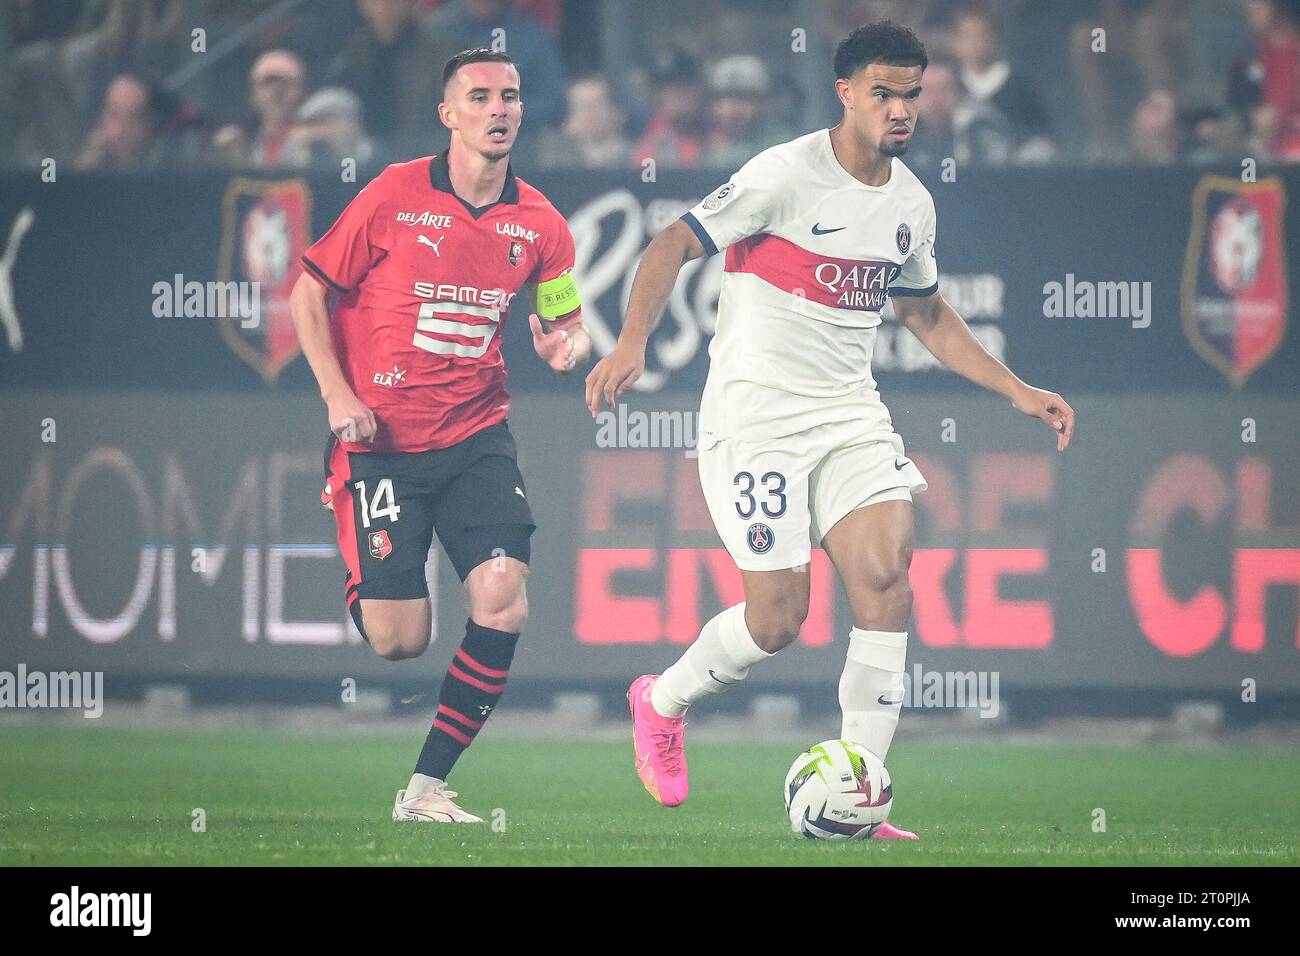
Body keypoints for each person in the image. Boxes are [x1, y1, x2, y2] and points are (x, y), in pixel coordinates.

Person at [586, 21, 1075, 838]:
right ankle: (661, 701)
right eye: (883, 91)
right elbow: (673, 241)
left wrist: (1017, 389)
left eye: (911, 93)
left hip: (849, 415)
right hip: (756, 417)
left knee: (887, 578)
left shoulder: (911, 202)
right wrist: (632, 339)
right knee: (777, 622)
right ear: (845, 92)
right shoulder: (784, 173)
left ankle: (864, 790)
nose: (900, 108)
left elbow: (923, 310)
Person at [289, 49, 590, 823]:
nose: (499, 109)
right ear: (448, 113)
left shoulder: (543, 225)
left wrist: (565, 345)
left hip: (476, 437)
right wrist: (335, 393)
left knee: (503, 598)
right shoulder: (393, 194)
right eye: (480, 96)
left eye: (511, 97)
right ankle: (359, 530)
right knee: (399, 641)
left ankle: (424, 789)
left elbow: (564, 318)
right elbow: (307, 294)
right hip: (380, 445)